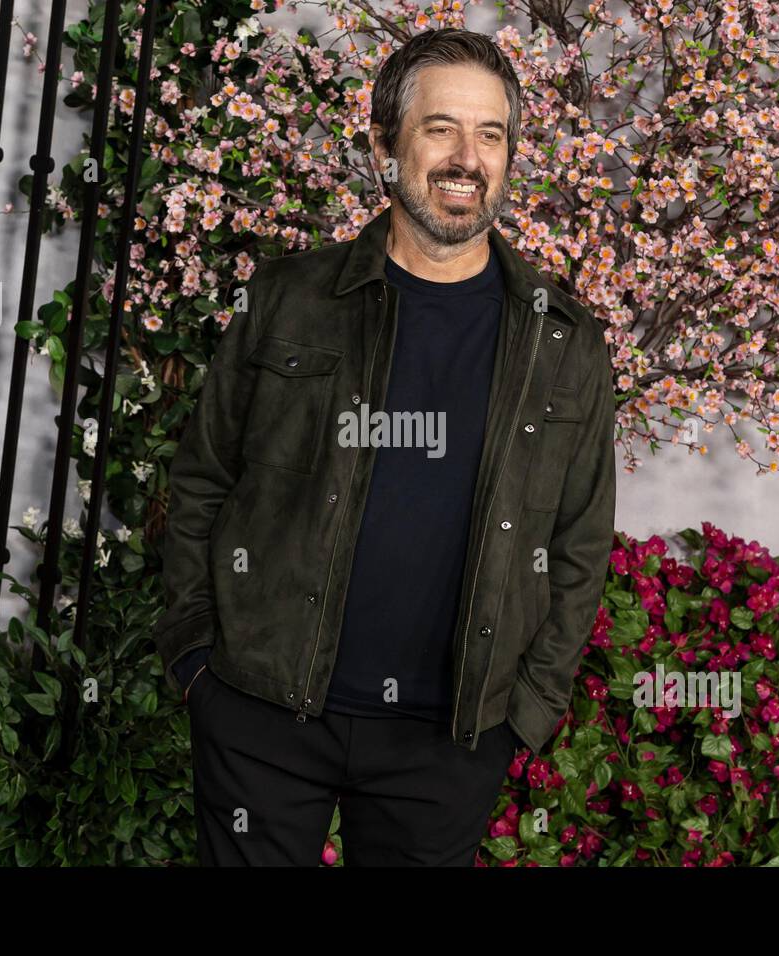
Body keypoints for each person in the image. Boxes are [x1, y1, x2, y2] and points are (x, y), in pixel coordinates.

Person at [156, 27, 616, 866]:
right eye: (441, 127)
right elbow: (202, 481)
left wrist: (526, 712)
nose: (466, 158)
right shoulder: (290, 300)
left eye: (491, 134)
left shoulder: (566, 342)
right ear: (384, 145)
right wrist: (197, 658)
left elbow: (580, 545)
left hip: (449, 739)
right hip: (263, 709)